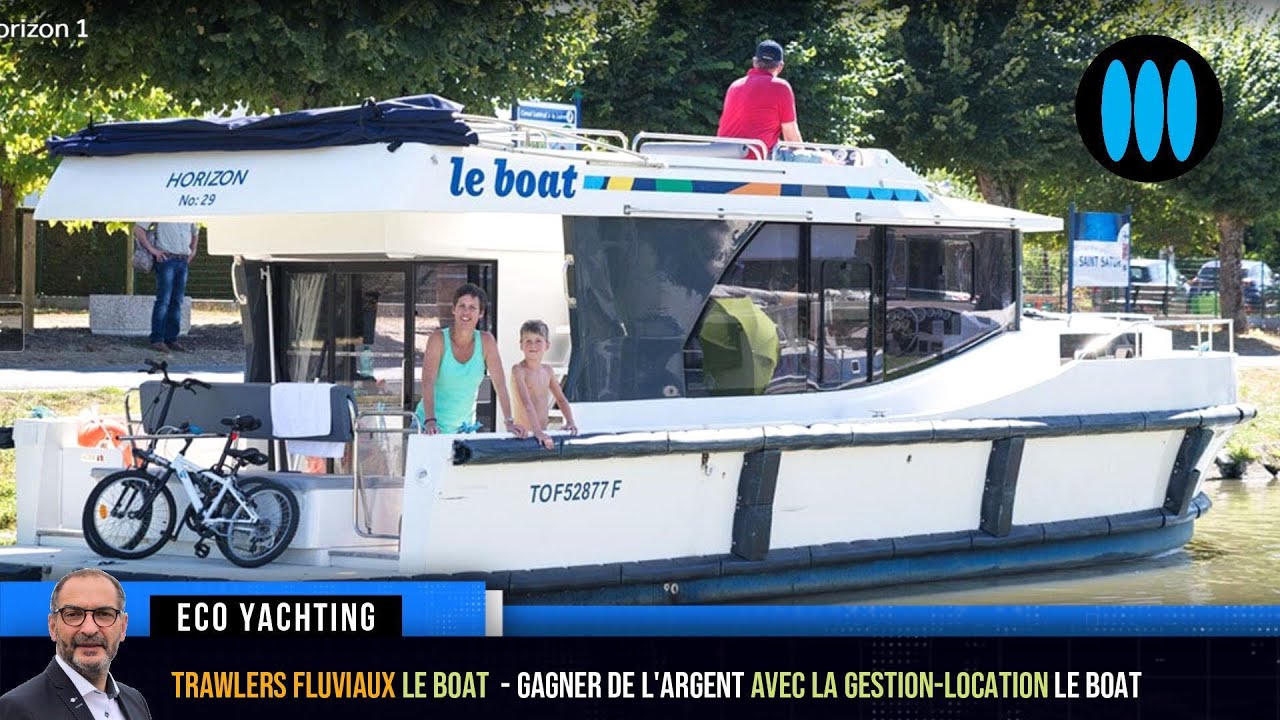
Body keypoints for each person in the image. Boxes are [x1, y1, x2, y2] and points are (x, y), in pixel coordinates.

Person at [0, 568, 151, 720]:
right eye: (73, 614)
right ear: (52, 627)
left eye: (104, 614)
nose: (89, 629)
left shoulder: (135, 701)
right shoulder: (18, 708)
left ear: (123, 627)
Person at [418, 283, 526, 437]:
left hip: (464, 429)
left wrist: (509, 422)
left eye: (472, 308)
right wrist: (430, 421)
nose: (466, 312)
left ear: (481, 313)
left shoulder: (487, 342)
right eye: (462, 306)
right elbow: (427, 382)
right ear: (454, 309)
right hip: (429, 427)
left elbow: (500, 384)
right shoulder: (438, 339)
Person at [716, 39, 803, 158]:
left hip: (725, 157)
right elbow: (792, 139)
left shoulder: (735, 86)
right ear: (780, 66)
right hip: (758, 158)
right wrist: (804, 155)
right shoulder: (781, 87)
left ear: (754, 62)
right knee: (826, 159)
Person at [510, 320, 578, 449]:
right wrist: (537, 432)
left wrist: (570, 421)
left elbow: (561, 399)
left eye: (538, 341)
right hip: (523, 436)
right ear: (521, 345)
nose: (533, 345)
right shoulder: (518, 370)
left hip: (542, 433)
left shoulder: (547, 371)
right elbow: (526, 403)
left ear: (547, 345)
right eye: (528, 341)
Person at [133, 221, 198, 353]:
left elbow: (195, 232)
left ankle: (171, 339)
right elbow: (138, 229)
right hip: (166, 259)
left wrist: (193, 251)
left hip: (182, 260)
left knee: (177, 301)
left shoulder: (188, 212)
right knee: (164, 300)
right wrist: (153, 250)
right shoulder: (161, 211)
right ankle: (157, 339)